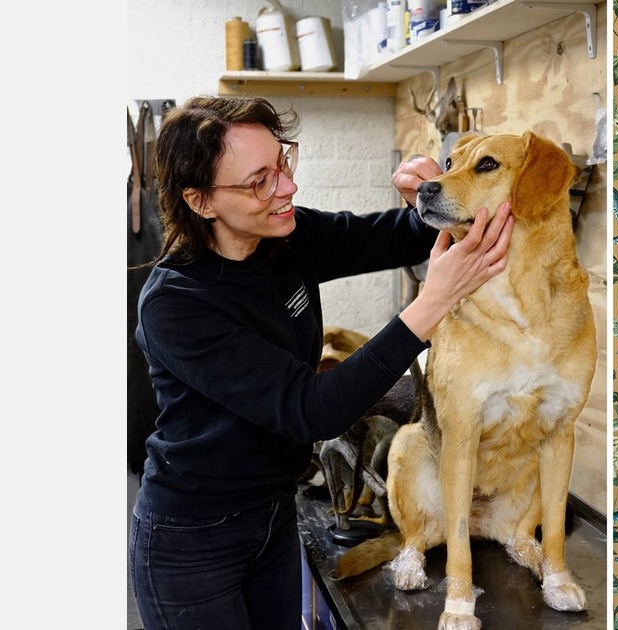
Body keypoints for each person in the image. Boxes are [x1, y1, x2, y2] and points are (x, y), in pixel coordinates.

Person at [128, 95, 512, 629]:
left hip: (273, 516)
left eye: (283, 163)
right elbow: (310, 410)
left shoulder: (286, 237)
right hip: (193, 539)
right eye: (259, 182)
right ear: (201, 201)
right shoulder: (176, 302)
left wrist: (429, 201)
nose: (287, 187)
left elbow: (396, 236)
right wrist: (434, 302)